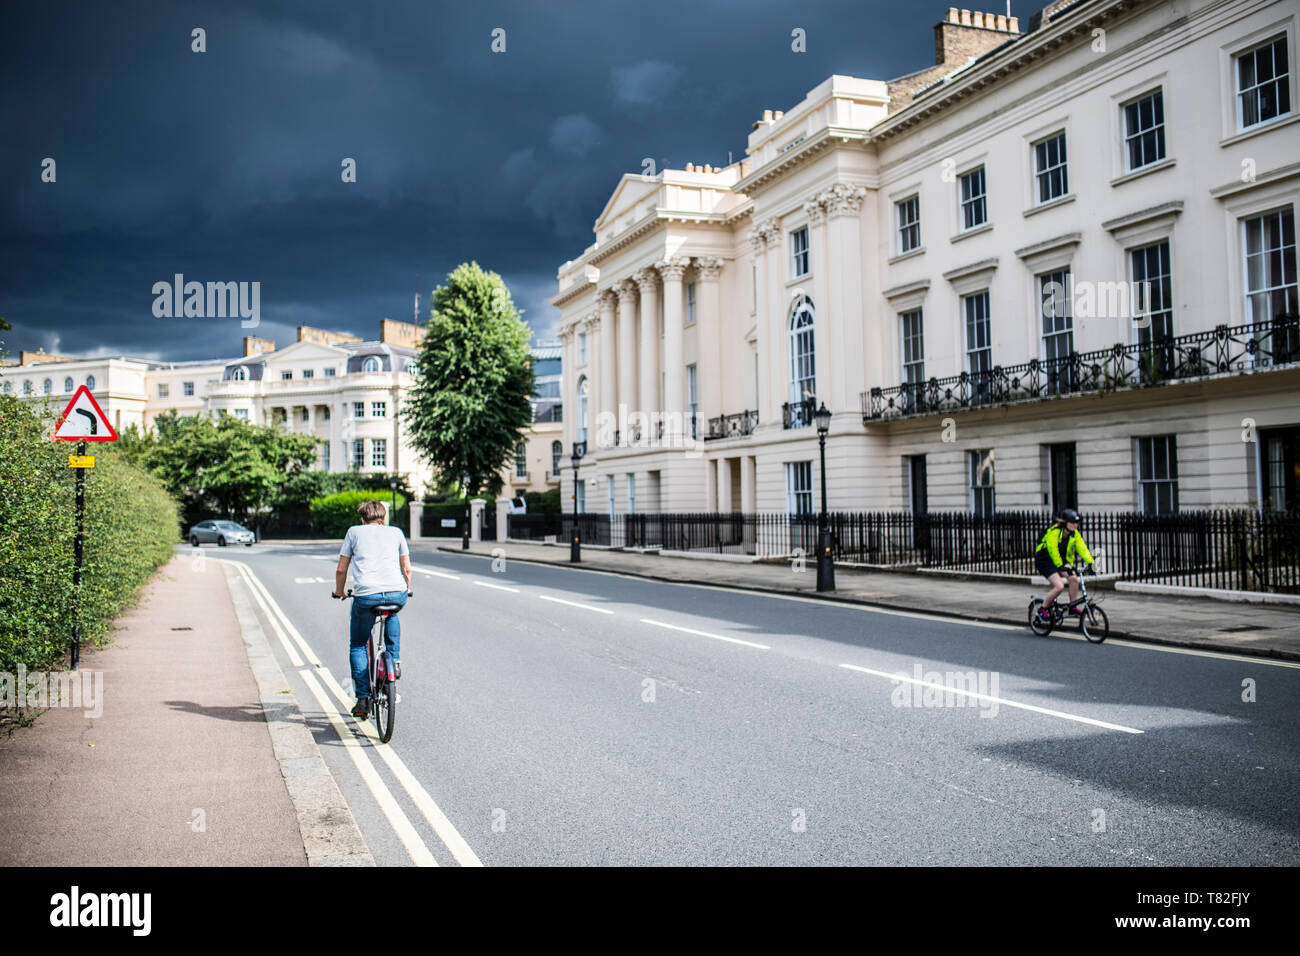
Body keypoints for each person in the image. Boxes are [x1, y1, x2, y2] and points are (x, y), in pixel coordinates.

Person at [332, 500, 412, 719]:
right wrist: (407, 588)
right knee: (392, 613)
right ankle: (393, 661)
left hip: (366, 595)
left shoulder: (354, 532)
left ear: (362, 519)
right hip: (397, 593)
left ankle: (363, 699)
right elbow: (406, 568)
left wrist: (339, 591)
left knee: (358, 644)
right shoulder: (396, 532)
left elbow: (341, 568)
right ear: (383, 519)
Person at [1034, 508, 1094, 621]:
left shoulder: (1074, 534)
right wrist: (1060, 565)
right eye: (1072, 522)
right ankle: (1043, 608)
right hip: (1045, 560)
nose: (1075, 525)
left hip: (1061, 561)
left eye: (1076, 522)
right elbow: (1053, 550)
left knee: (1074, 579)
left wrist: (1091, 563)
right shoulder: (1054, 532)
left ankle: (1072, 607)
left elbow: (1082, 548)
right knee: (1059, 586)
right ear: (1065, 522)